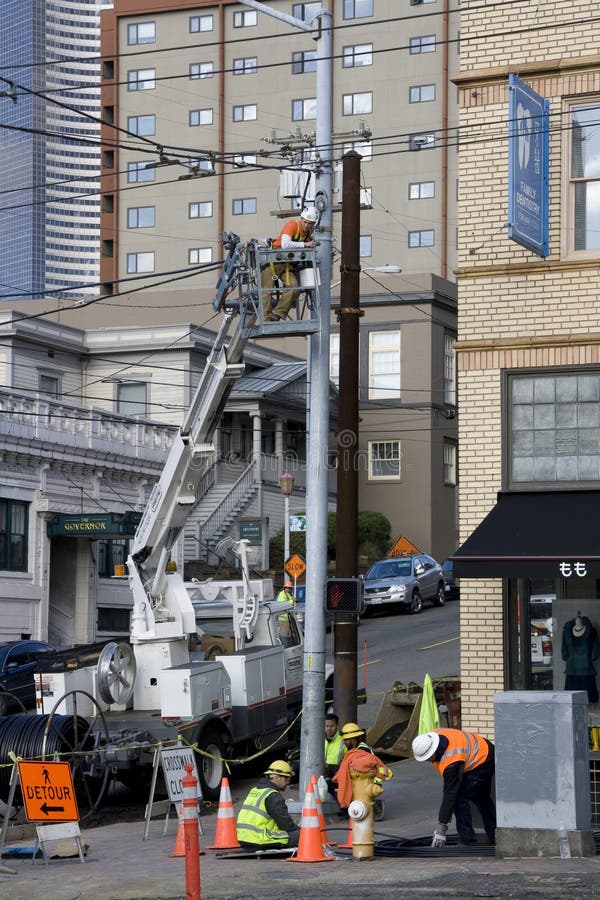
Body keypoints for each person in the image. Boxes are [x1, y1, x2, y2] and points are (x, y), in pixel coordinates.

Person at [412, 727, 496, 847]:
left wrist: (442, 827)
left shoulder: (451, 761)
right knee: (483, 800)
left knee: (459, 799)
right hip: (483, 750)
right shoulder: (434, 735)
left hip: (483, 761)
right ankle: (495, 836)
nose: (427, 761)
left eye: (427, 758)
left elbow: (450, 793)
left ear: (433, 751)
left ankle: (467, 841)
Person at [261, 207, 318, 322]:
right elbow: (285, 244)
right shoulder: (292, 225)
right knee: (267, 291)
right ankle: (266, 320)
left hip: (286, 264)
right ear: (301, 218)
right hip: (272, 262)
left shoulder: (309, 231)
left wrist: (309, 242)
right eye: (305, 222)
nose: (307, 225)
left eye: (310, 224)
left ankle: (277, 315)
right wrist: (305, 245)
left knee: (294, 287)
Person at [236, 759, 300, 850]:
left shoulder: (255, 790)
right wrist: (299, 830)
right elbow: (285, 823)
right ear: (277, 777)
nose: (288, 782)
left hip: (244, 839)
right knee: (303, 835)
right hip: (261, 840)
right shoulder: (273, 795)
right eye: (287, 778)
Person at [333, 722, 392, 820]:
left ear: (355, 739)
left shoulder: (362, 750)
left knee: (347, 786)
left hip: (371, 780)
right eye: (345, 740)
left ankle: (371, 806)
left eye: (348, 740)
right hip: (366, 779)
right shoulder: (355, 749)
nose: (345, 742)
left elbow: (360, 767)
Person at [324, 713, 346, 798]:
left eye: (332, 726)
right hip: (321, 776)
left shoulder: (343, 741)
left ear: (337, 725)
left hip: (336, 778)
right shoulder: (320, 739)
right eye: (327, 726)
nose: (329, 729)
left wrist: (331, 768)